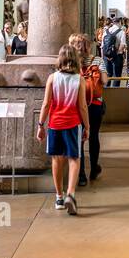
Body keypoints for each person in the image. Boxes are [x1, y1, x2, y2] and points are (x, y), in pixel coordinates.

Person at [37, 44, 89, 216]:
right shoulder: (79, 80)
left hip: (55, 124)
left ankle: (59, 197)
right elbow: (82, 106)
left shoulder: (52, 78)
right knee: (74, 158)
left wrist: (40, 125)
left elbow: (46, 104)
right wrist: (87, 126)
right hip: (73, 124)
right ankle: (71, 194)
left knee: (56, 159)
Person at [71, 32, 107, 187]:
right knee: (93, 136)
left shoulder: (70, 62)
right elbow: (105, 81)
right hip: (95, 104)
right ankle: (94, 169)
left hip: (76, 105)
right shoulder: (97, 60)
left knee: (79, 139)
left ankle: (81, 175)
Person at [101, 14, 127, 87]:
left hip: (106, 57)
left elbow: (102, 46)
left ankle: (106, 94)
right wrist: (115, 55)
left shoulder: (106, 31)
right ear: (119, 23)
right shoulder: (121, 32)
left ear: (113, 22)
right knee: (117, 76)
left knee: (108, 75)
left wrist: (105, 57)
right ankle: (115, 94)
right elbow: (122, 45)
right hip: (117, 57)